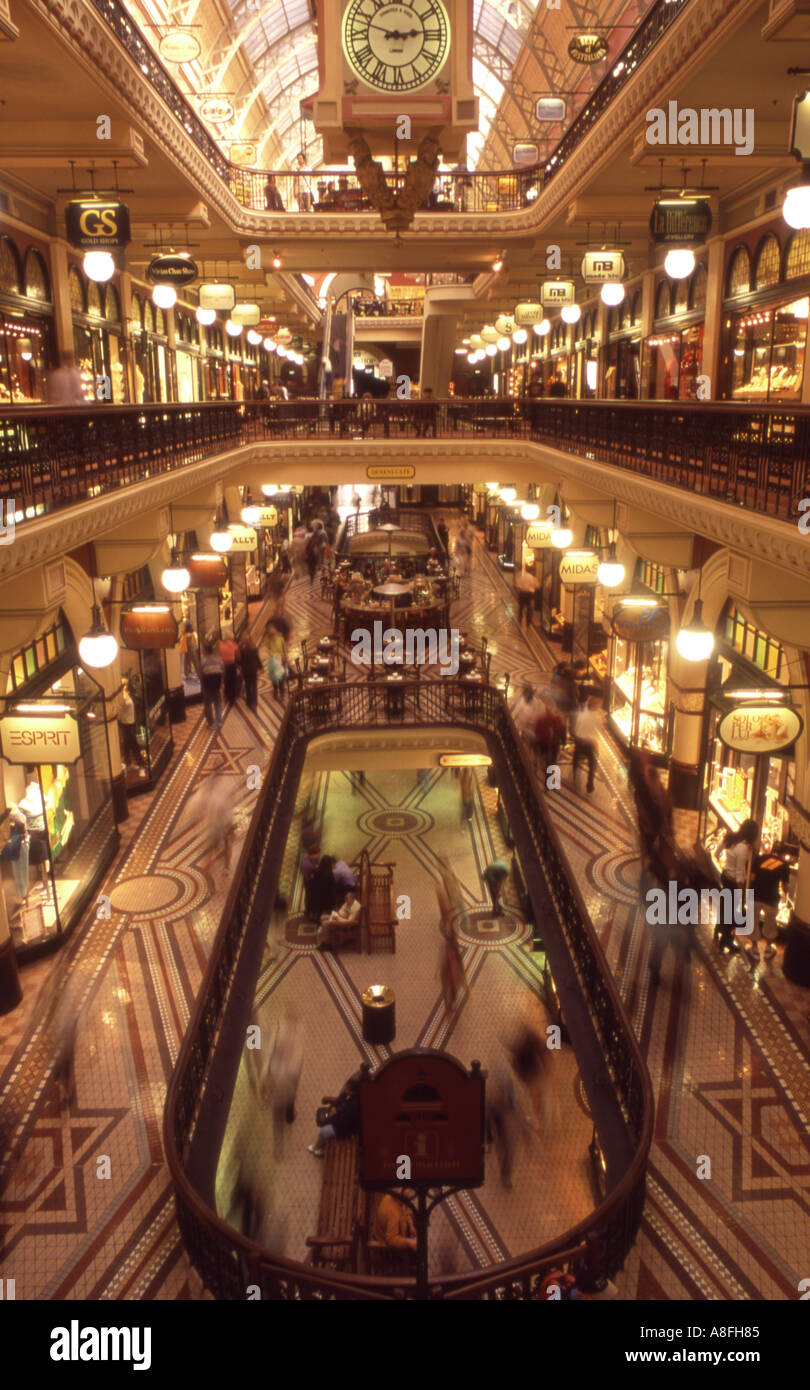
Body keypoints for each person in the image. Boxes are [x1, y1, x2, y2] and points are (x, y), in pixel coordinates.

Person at [718, 819, 759, 953]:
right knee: (732, 914)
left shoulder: (730, 838)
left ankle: (719, 932)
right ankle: (725, 942)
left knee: (725, 909)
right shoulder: (743, 848)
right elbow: (740, 872)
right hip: (733, 883)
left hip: (725, 877)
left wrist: (725, 867)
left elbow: (716, 853)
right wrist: (741, 893)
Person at [266, 1009, 304, 1156]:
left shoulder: (280, 1034)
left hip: (277, 1087)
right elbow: (296, 1068)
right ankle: (289, 1118)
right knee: (288, 1104)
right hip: (287, 1086)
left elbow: (271, 1052)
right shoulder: (295, 1041)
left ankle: (277, 1146)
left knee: (276, 1118)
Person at [308, 1074, 361, 1156]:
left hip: (344, 1129)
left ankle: (317, 1148)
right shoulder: (347, 1094)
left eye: (348, 1090)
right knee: (322, 1116)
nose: (346, 1090)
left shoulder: (354, 1105)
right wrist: (333, 1108)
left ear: (353, 1092)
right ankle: (320, 1145)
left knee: (323, 1131)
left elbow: (343, 1121)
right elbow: (339, 1100)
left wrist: (332, 1117)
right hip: (338, 1117)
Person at [17, 772, 51, 898]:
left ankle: (47, 886)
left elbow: (19, 814)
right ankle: (46, 884)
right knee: (43, 859)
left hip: (35, 834)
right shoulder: (40, 798)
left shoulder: (25, 803)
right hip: (41, 831)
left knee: (42, 859)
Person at [571, 695, 602, 794]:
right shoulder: (597, 717)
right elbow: (598, 731)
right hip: (590, 744)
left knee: (576, 755)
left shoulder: (582, 714)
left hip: (579, 741)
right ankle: (590, 783)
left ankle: (574, 772)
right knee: (593, 762)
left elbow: (576, 728)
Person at [118, 677, 148, 777]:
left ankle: (129, 763)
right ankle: (141, 765)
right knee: (132, 744)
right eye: (124, 684)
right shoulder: (122, 696)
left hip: (130, 722)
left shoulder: (126, 694)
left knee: (128, 744)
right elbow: (122, 706)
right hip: (126, 723)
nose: (126, 686)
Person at [200, 639, 225, 729]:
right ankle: (218, 722)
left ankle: (210, 722)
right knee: (218, 703)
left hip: (207, 687)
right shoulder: (219, 660)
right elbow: (223, 672)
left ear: (206, 651)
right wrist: (221, 683)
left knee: (207, 705)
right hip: (217, 686)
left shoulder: (203, 662)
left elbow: (201, 674)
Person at [263, 622, 287, 699]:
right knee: (274, 677)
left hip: (281, 660)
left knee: (281, 677)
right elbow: (268, 650)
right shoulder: (268, 640)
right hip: (273, 661)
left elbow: (284, 649)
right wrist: (272, 654)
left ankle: (282, 691)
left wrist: (285, 657)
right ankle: (276, 691)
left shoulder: (281, 638)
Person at [238, 633, 261, 713]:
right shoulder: (254, 649)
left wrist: (240, 668)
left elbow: (240, 661)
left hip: (246, 671)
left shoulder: (242, 650)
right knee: (254, 686)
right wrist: (261, 667)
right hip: (253, 670)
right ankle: (254, 704)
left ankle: (249, 702)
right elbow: (257, 659)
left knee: (247, 686)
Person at [218, 628, 240, 707]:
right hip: (232, 665)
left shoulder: (220, 644)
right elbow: (238, 655)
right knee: (232, 682)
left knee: (226, 681)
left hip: (224, 666)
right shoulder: (233, 644)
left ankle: (226, 696)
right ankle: (232, 699)